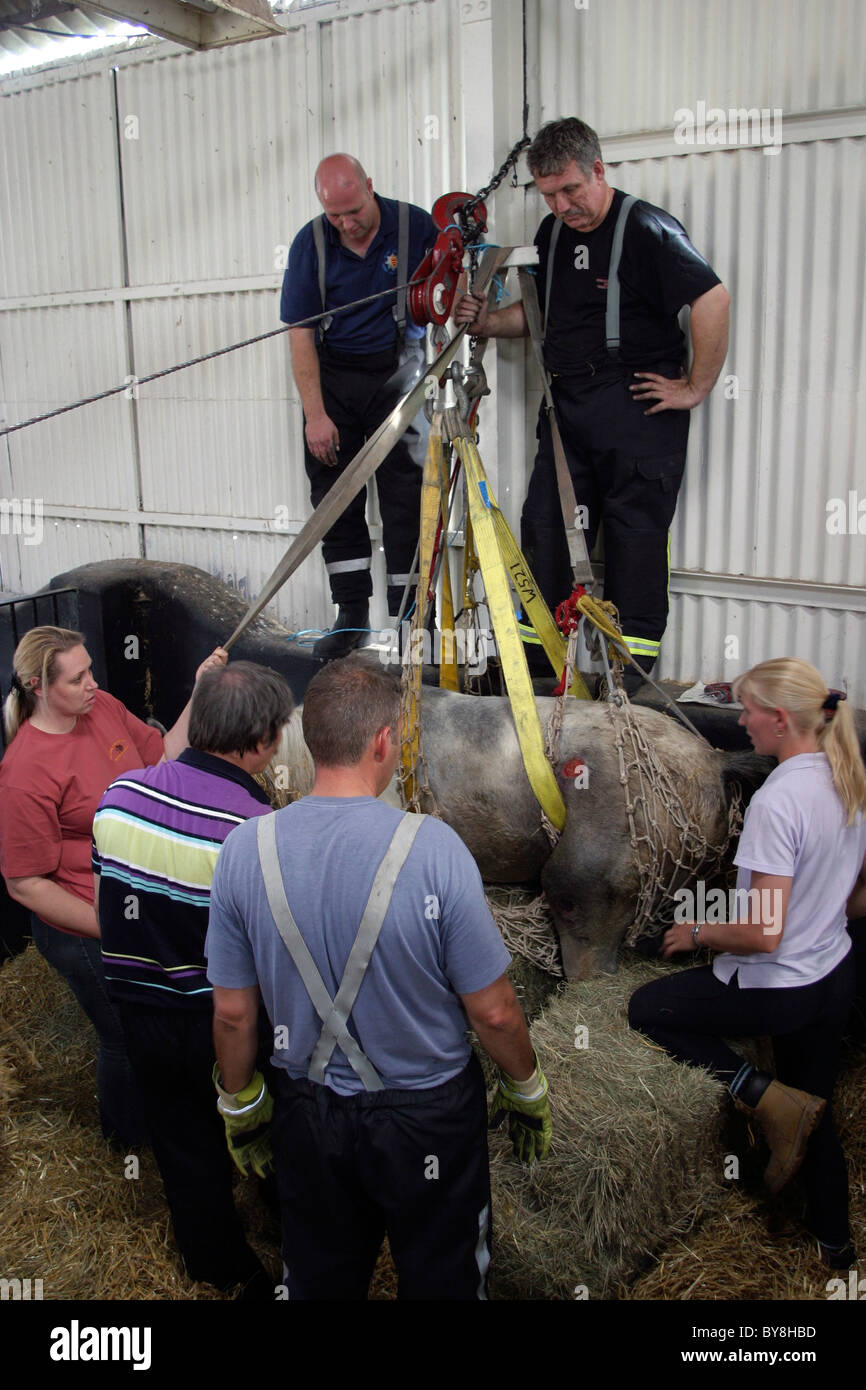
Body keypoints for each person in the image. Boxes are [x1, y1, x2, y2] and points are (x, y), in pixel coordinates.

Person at [205, 653, 551, 1300]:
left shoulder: (243, 850)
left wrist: (240, 1101)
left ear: (312, 740)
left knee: (318, 1279)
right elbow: (496, 1011)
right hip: (428, 1119)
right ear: (385, 741)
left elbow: (231, 1013)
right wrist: (524, 1085)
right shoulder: (436, 849)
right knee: (445, 1279)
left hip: (306, 1112)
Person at [456, 117, 730, 691]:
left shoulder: (646, 228)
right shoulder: (553, 236)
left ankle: (628, 689)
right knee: (546, 534)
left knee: (635, 545)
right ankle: (536, 679)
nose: (561, 206)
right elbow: (538, 318)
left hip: (637, 416)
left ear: (598, 171)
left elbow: (711, 299)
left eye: (570, 191)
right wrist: (486, 320)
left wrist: (695, 388)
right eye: (550, 194)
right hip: (568, 415)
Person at [628, 659, 866, 1268]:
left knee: (649, 1008)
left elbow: (763, 934)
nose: (741, 721)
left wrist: (697, 931)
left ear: (780, 721)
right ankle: (835, 1248)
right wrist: (821, 911)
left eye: (749, 710)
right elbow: (859, 897)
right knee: (813, 1109)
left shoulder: (778, 800)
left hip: (781, 986)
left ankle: (755, 1090)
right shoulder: (847, 778)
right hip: (834, 973)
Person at [92, 661, 294, 1297]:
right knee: (265, 1126)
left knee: (183, 1147)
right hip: (222, 1021)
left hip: (139, 1012)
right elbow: (270, 954)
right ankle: (294, 1230)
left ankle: (223, 1270)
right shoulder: (259, 835)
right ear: (261, 744)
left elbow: (110, 900)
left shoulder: (118, 797)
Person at [0, 625, 226, 1145]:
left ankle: (169, 1118)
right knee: (122, 1035)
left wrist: (199, 691)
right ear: (39, 686)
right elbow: (25, 882)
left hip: (135, 905)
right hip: (83, 921)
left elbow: (162, 755)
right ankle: (126, 1142)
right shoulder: (24, 772)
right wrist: (109, 928)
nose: (92, 684)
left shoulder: (99, 708)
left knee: (153, 1020)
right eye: (77, 678)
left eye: (91, 671)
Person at [280, 154, 438, 659]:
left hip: (401, 376)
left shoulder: (416, 227)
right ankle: (351, 618)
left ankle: (410, 622)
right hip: (335, 383)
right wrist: (315, 415)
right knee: (336, 501)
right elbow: (300, 333)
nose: (347, 223)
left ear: (371, 186)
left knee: (405, 501)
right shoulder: (311, 242)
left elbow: (455, 290)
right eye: (336, 216)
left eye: (354, 210)